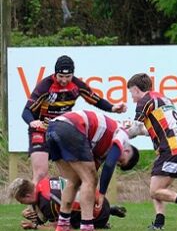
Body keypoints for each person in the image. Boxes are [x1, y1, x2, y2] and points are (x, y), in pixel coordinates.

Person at [22, 55, 127, 184]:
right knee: (41, 173)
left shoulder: (76, 85)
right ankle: (35, 204)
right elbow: (26, 111)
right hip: (41, 130)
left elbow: (94, 99)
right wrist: (32, 122)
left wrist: (112, 107)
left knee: (70, 176)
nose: (64, 80)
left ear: (73, 74)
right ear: (55, 74)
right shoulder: (45, 86)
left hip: (61, 131)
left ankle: (65, 203)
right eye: (61, 76)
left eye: (68, 76)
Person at [44, 110, 140, 231]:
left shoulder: (100, 148)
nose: (117, 160)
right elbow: (109, 165)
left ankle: (62, 226)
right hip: (69, 128)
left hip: (52, 129)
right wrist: (101, 194)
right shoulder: (122, 135)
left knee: (74, 181)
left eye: (119, 164)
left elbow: (95, 167)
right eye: (121, 160)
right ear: (126, 150)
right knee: (91, 179)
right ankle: (87, 229)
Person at [124, 73, 177, 230]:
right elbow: (150, 129)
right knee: (156, 187)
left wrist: (121, 135)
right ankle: (159, 223)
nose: (132, 97)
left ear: (137, 89)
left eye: (131, 92)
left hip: (170, 150)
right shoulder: (162, 98)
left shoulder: (144, 101)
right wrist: (136, 133)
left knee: (155, 191)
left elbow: (136, 127)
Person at [8, 176, 127, 231]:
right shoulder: (44, 182)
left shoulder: (47, 203)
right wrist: (31, 215)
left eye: (21, 201)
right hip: (98, 200)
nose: (21, 204)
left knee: (71, 224)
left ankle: (102, 222)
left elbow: (61, 227)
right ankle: (109, 209)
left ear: (28, 196)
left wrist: (35, 226)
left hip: (99, 214)